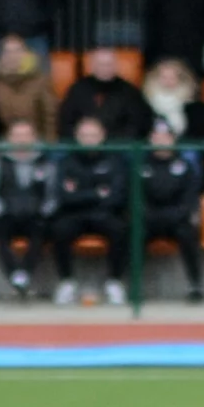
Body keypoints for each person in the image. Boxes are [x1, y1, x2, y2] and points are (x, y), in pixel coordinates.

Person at [46, 113, 131, 306]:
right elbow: (63, 197)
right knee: (59, 229)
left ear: (102, 136)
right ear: (76, 136)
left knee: (120, 229)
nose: (89, 140)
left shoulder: (114, 161)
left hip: (105, 214)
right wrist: (97, 193)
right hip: (73, 214)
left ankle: (114, 282)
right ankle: (66, 281)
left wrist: (80, 193)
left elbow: (117, 196)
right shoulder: (66, 162)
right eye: (84, 135)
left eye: (93, 135)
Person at [0, 119, 54, 296]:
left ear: (34, 138)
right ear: (9, 138)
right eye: (17, 135)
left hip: (35, 214)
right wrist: (1, 210)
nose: (21, 140)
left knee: (41, 232)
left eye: (26, 135)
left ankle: (25, 273)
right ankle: (15, 273)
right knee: (0, 234)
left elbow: (53, 193)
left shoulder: (46, 162)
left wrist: (44, 209)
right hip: (6, 214)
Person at [140, 115, 204, 302]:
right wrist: (150, 214)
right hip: (150, 218)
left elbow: (190, 198)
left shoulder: (185, 166)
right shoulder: (141, 164)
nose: (161, 141)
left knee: (188, 233)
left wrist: (174, 214)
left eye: (166, 136)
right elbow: (135, 197)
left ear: (173, 139)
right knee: (135, 232)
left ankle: (195, 284)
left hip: (176, 218)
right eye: (156, 136)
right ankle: (133, 286)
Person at [56, 45, 149, 142]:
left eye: (109, 64)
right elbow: (65, 122)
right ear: (92, 66)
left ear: (116, 66)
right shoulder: (77, 89)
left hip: (117, 147)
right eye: (101, 64)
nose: (105, 68)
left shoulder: (129, 91)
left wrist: (107, 138)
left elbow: (137, 124)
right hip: (81, 145)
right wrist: (85, 136)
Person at [0, 33, 56, 140]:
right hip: (3, 143)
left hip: (36, 141)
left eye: (17, 51)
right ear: (2, 56)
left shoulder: (40, 80)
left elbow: (49, 114)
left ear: (25, 54)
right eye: (8, 51)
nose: (12, 56)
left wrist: (49, 142)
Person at [143, 57, 204, 139]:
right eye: (164, 77)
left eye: (172, 78)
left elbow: (196, 131)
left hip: (183, 143)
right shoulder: (146, 102)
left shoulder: (191, 104)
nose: (168, 81)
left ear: (181, 79)